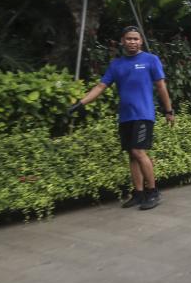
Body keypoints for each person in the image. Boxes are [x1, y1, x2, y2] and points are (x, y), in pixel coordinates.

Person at [68, 26, 174, 210]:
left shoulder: (150, 60)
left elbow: (161, 87)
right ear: (122, 41)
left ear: (141, 41)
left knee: (139, 152)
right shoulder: (116, 64)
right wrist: (81, 103)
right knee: (131, 155)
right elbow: (101, 86)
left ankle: (153, 191)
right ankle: (138, 193)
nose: (132, 42)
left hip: (144, 114)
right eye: (128, 39)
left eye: (136, 39)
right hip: (125, 117)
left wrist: (169, 111)